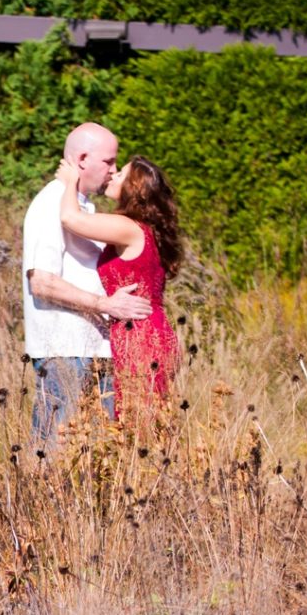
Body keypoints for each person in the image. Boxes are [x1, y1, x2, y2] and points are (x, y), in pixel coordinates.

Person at [22, 123, 151, 444]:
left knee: (101, 455)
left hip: (94, 350)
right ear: (82, 159)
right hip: (65, 351)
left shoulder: (82, 208)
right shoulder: (51, 203)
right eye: (108, 161)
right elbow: (42, 282)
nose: (114, 170)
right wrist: (105, 305)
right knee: (52, 452)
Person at [54, 154, 182, 422]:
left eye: (121, 174)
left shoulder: (129, 227)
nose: (113, 175)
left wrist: (71, 182)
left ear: (133, 188)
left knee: (138, 424)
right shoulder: (146, 230)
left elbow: (70, 219)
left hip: (140, 333)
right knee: (150, 421)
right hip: (151, 330)